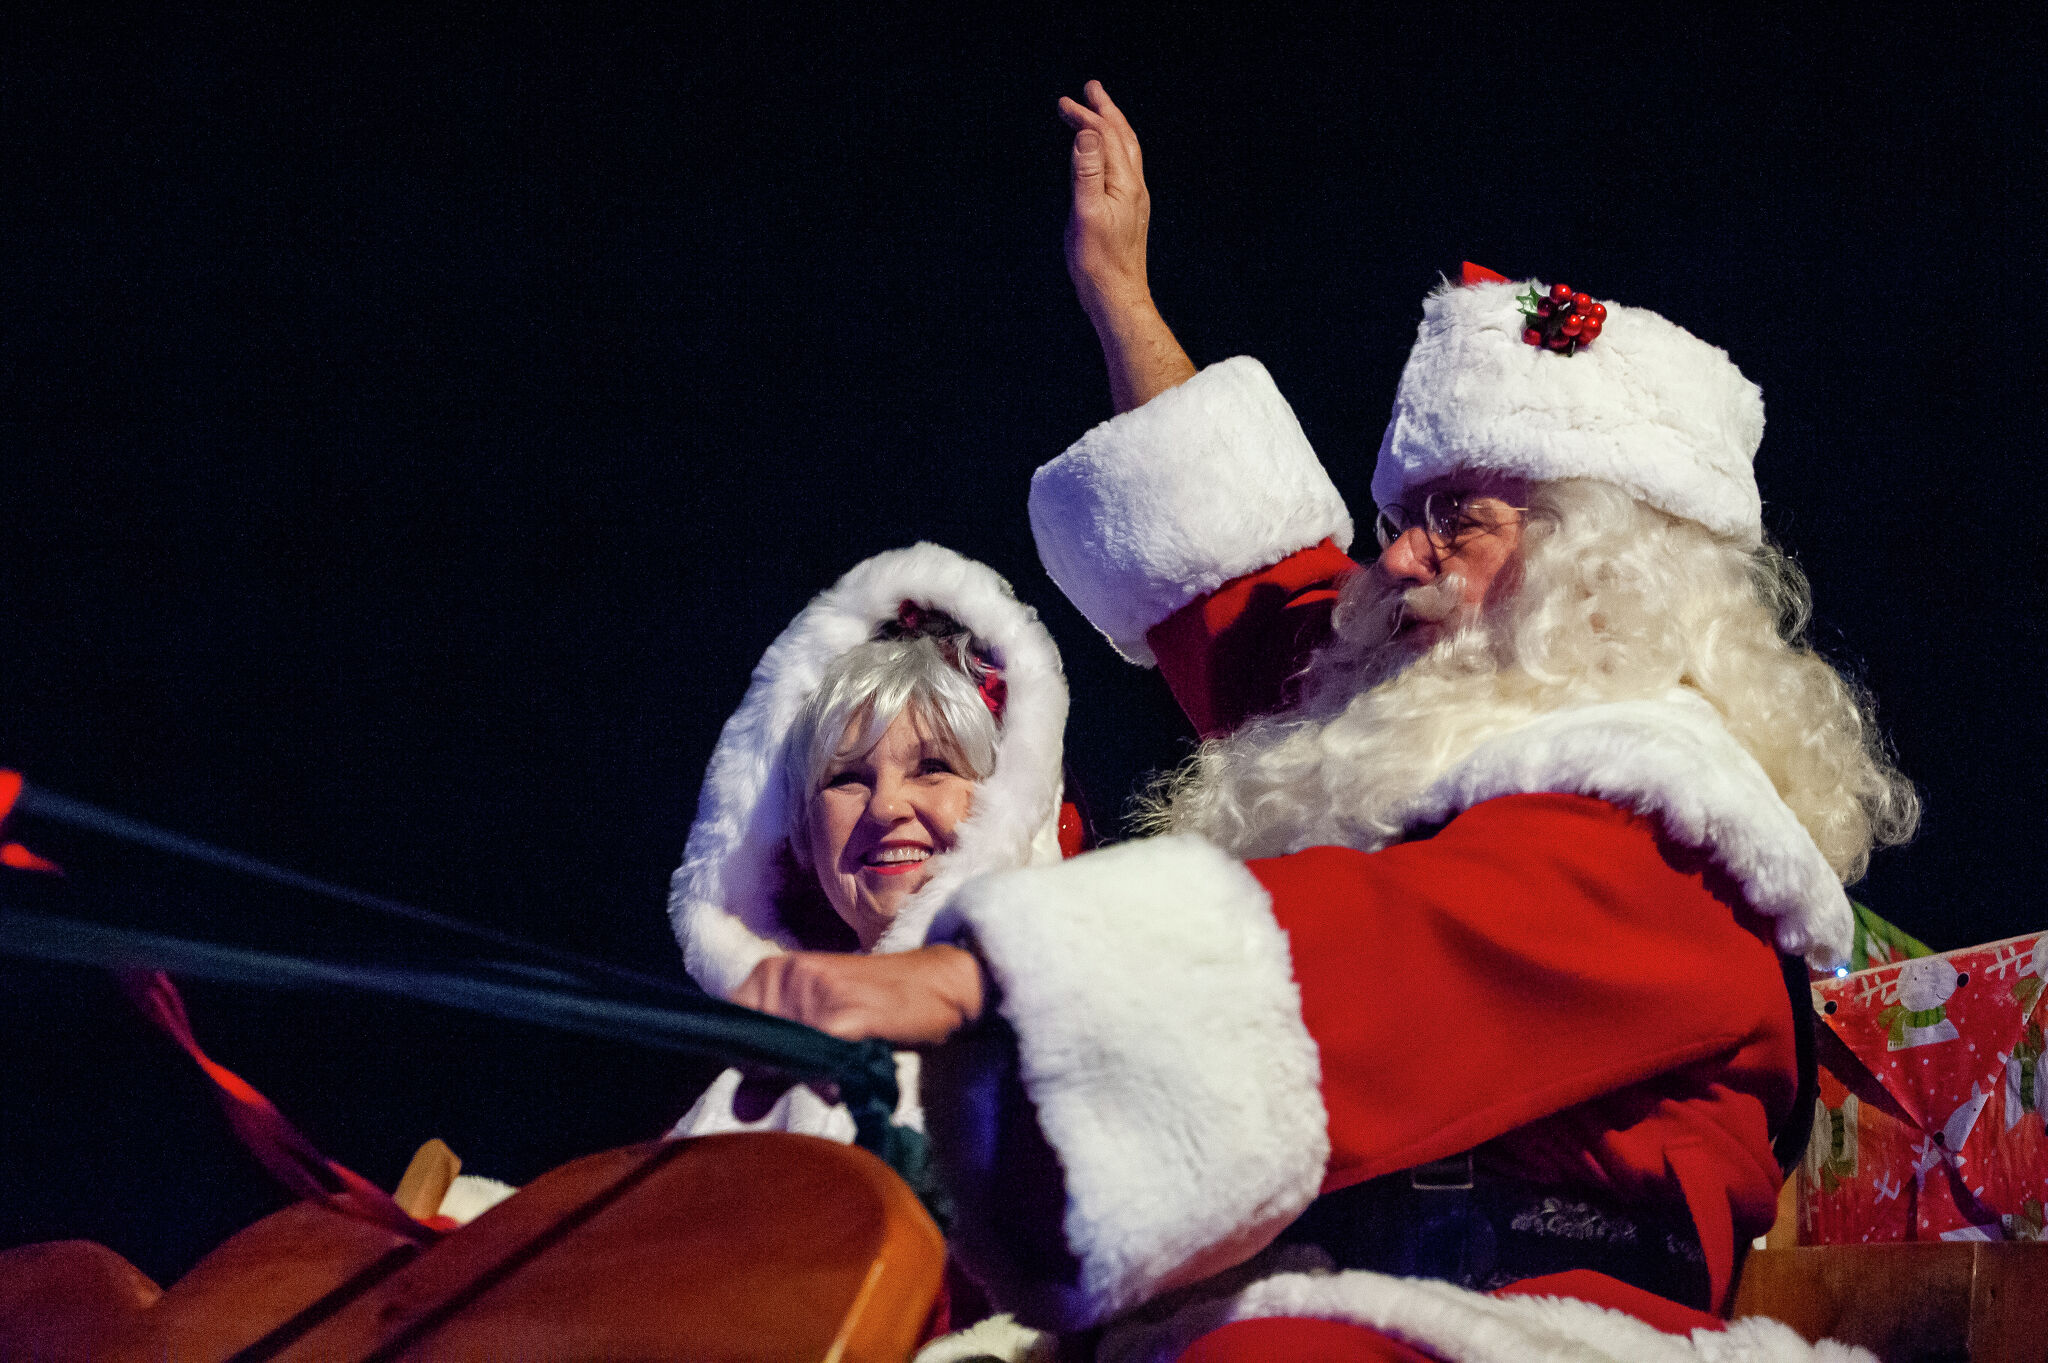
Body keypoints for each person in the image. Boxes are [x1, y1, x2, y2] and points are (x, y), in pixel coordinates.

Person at [736, 85, 1917, 1362]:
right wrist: (1122, 298)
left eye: (1454, 512)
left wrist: (990, 973)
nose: (1395, 555)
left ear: (1602, 564)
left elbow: (1389, 954)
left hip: (1535, 1329)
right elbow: (1246, 591)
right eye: (1400, 511)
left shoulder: (1671, 822)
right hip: (1319, 1293)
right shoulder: (1423, 712)